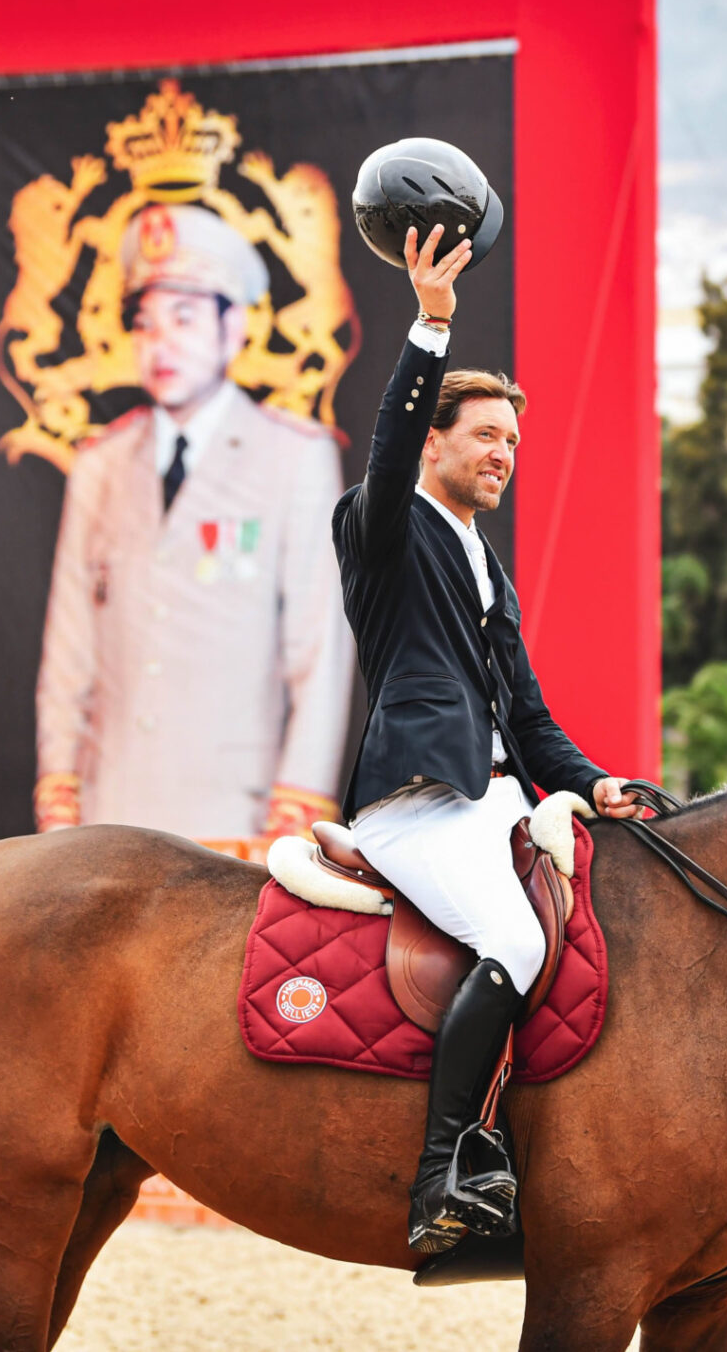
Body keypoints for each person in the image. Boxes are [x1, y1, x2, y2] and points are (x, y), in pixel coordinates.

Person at [332, 224, 644, 1255]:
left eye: (511, 441)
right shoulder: (380, 520)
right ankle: (442, 1175)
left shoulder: (484, 563)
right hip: (418, 802)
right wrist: (428, 326)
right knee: (513, 940)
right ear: (432, 440)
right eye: (483, 437)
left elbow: (529, 711)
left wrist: (596, 786)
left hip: (503, 798)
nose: (501, 454)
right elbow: (383, 445)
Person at [35, 202, 355, 840]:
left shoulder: (294, 457)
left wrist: (292, 821)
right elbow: (69, 653)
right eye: (146, 325)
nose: (162, 345)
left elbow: (319, 657)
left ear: (234, 326)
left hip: (233, 829)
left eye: (184, 318)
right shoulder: (99, 465)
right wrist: (60, 805)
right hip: (109, 819)